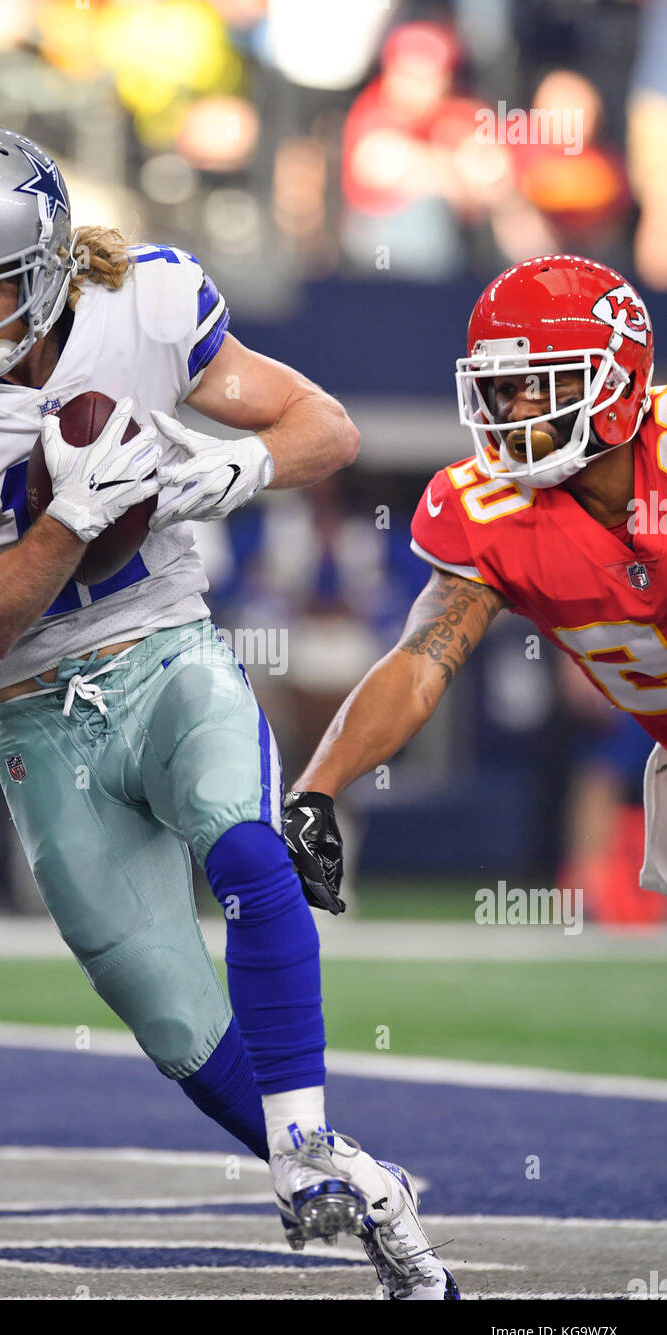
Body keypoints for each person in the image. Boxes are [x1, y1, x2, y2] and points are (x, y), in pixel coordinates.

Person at [0, 126, 458, 1300]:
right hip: (31, 713)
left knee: (243, 841)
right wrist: (71, 520)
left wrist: (229, 472)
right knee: (168, 1018)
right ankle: (354, 1179)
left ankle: (305, 1139)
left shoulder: (147, 304)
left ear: (54, 265)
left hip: (164, 650)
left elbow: (325, 427)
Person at [284, 253, 667, 926]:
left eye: (538, 385)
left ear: (615, 382)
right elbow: (418, 664)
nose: (515, 409)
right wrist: (316, 791)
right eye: (502, 387)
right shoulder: (490, 509)